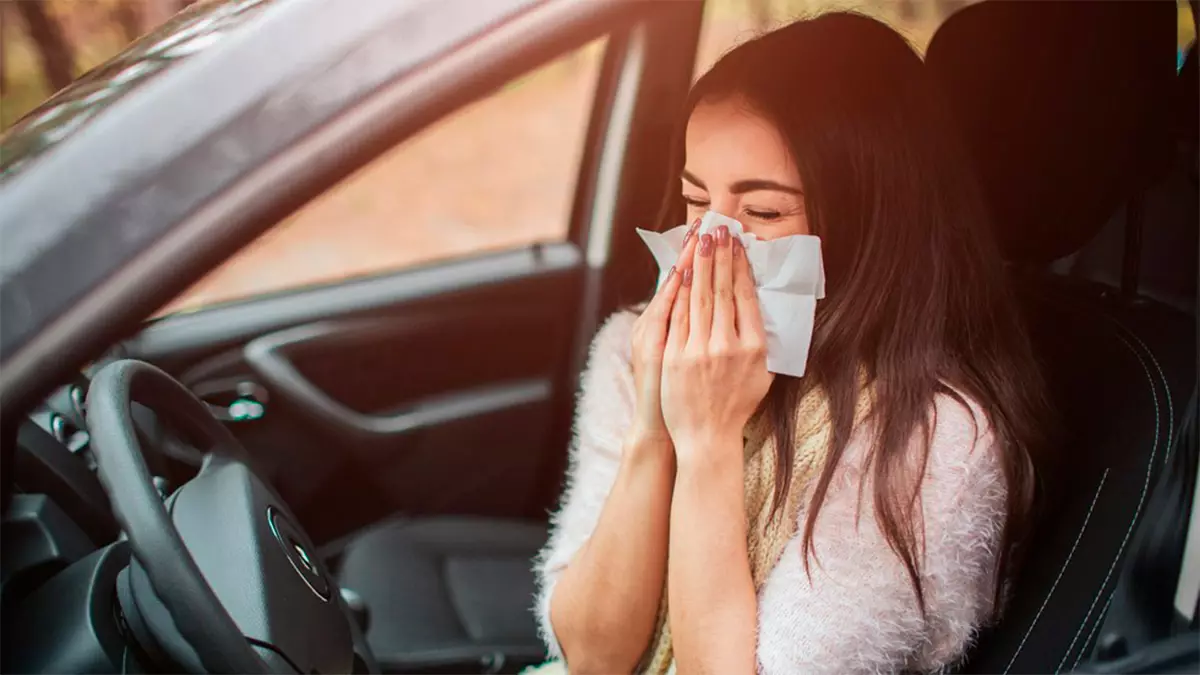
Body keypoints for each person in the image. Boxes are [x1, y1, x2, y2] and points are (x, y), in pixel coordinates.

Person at [531, 12, 1048, 675]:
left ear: (870, 224)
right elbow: (591, 655)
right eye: (696, 202)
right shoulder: (638, 349)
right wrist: (656, 429)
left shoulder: (927, 440)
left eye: (764, 212)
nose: (711, 245)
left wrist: (710, 443)